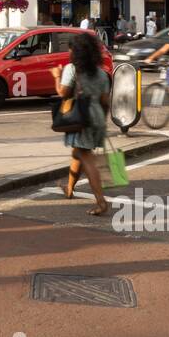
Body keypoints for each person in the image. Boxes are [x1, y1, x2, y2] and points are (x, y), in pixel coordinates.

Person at [52, 33, 111, 215]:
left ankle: (101, 202)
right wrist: (102, 121)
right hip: (97, 117)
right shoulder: (101, 74)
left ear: (76, 52)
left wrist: (56, 76)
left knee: (87, 159)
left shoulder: (72, 69)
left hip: (81, 117)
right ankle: (69, 188)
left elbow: (63, 93)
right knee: (78, 152)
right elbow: (105, 101)